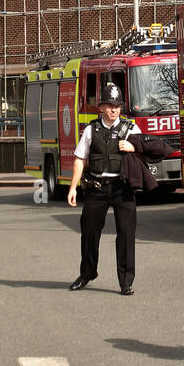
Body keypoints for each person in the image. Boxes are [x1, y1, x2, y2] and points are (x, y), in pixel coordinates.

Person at [67, 81, 142, 295]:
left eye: (117, 105)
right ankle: (87, 274)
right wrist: (72, 188)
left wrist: (134, 146)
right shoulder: (91, 129)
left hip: (122, 188)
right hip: (97, 187)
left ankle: (126, 282)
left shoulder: (130, 128)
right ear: (101, 107)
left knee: (126, 234)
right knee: (89, 231)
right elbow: (80, 158)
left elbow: (146, 149)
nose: (113, 109)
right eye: (109, 105)